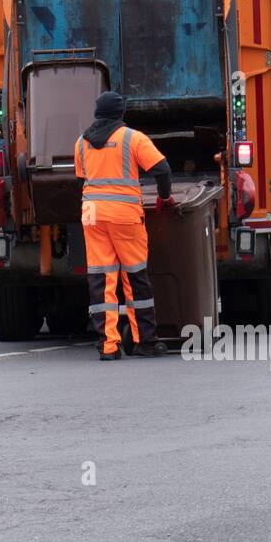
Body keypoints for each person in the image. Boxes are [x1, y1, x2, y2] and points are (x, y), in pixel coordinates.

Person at [75, 92, 174, 362]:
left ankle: (108, 346)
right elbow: (162, 170)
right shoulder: (133, 138)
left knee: (101, 280)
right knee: (134, 278)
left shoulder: (81, 142)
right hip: (125, 217)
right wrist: (165, 197)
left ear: (97, 113)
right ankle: (144, 341)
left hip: (92, 215)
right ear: (121, 113)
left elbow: (83, 178)